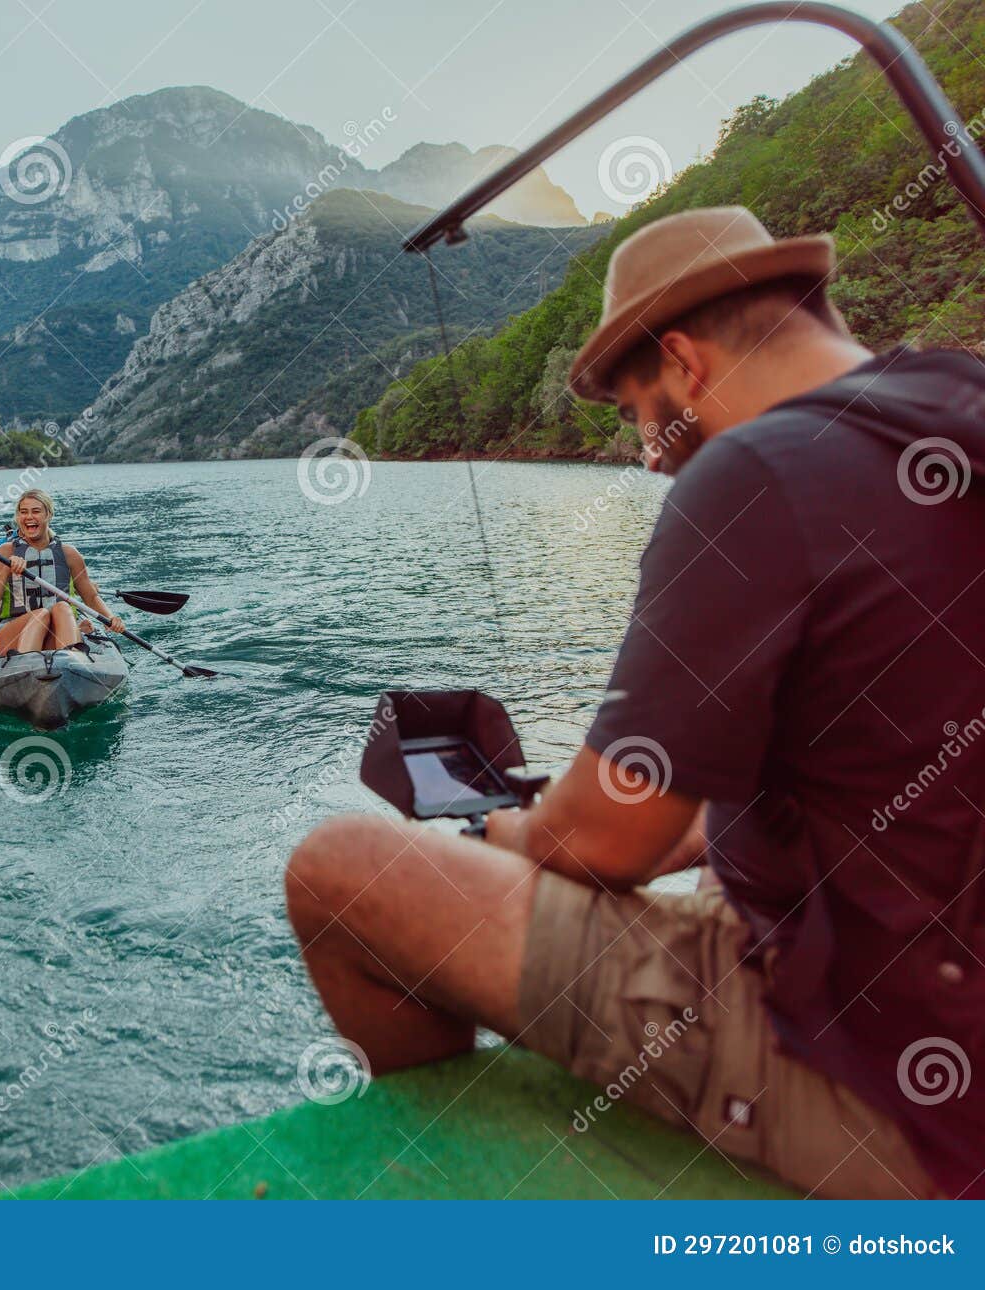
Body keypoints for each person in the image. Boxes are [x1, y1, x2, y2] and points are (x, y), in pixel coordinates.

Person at [284, 206, 985, 1200]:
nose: (650, 456)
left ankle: (465, 1197)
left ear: (685, 364)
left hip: (900, 1099)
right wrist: (701, 829)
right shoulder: (951, 410)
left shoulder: (756, 472)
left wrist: (507, 833)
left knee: (341, 873)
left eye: (636, 415)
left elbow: (603, 842)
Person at [0, 489, 123, 654]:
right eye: (23, 512)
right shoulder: (5, 551)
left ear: (48, 515)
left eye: (36, 511)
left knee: (62, 607)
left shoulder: (70, 554)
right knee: (40, 614)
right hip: (13, 634)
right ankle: (27, 662)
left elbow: (90, 596)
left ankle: (72, 658)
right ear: (18, 518)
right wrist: (6, 568)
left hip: (54, 634)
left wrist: (110, 618)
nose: (29, 517)